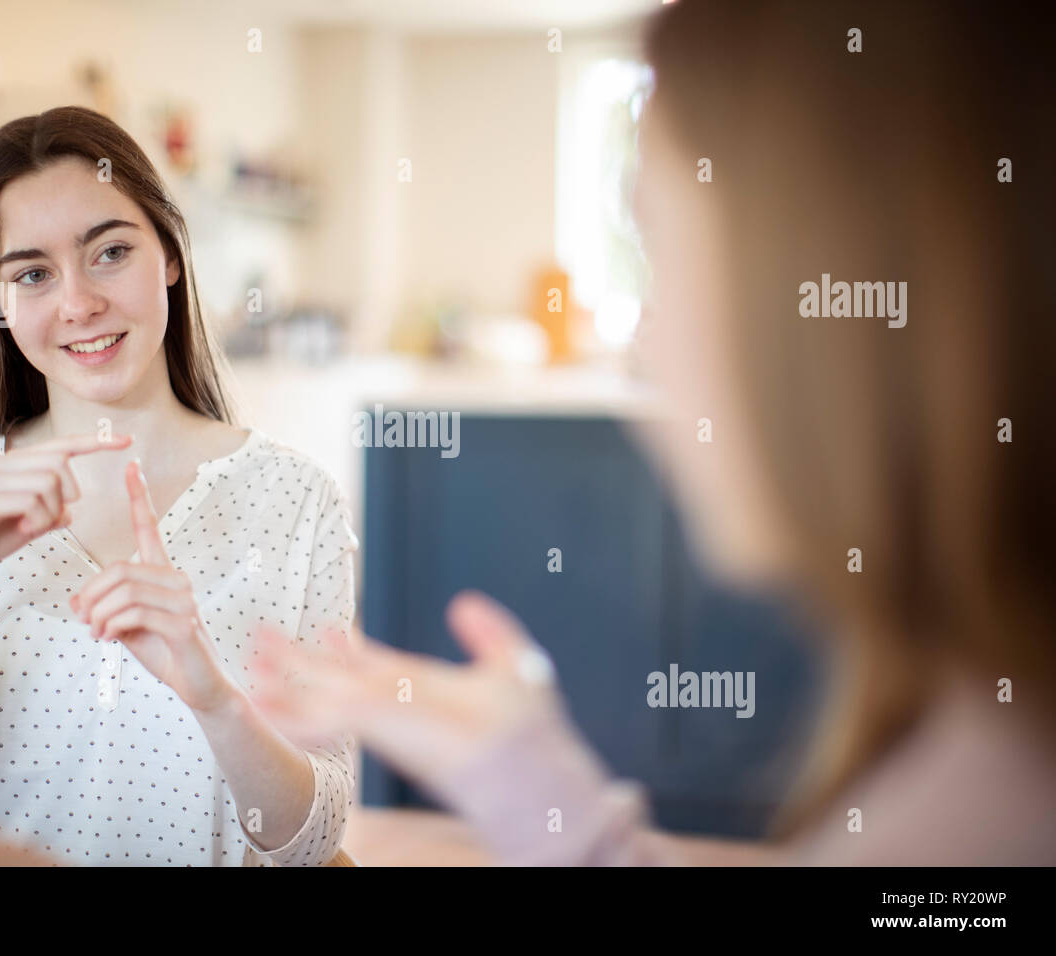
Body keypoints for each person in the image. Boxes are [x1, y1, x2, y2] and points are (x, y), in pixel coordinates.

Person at [251, 0, 1056, 866]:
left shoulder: (987, 815)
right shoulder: (977, 753)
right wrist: (525, 779)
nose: (644, 340)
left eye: (664, 255)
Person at [0, 107, 358, 866]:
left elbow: (313, 842)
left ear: (170, 255)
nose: (79, 303)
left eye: (111, 252)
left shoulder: (298, 500)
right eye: (32, 274)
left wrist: (214, 696)